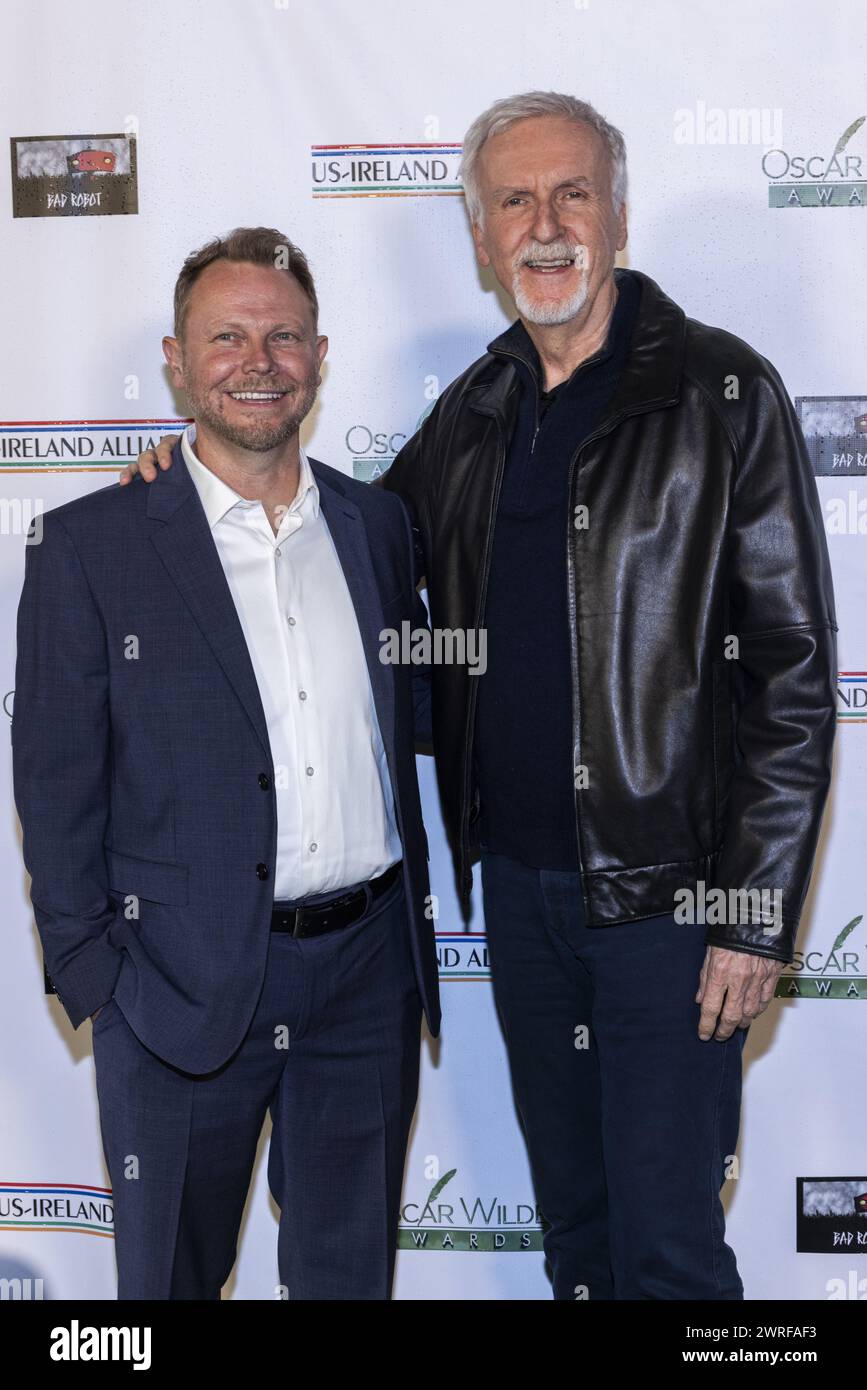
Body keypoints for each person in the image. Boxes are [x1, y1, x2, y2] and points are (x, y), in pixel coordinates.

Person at [122, 93, 837, 1301]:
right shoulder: (483, 404)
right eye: (515, 200)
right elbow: (346, 531)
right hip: (521, 896)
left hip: (672, 906)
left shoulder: (721, 391)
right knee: (578, 1240)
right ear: (480, 235)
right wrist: (194, 467)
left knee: (670, 1249)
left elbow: (793, 676)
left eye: (572, 194)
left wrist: (752, 911)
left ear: (616, 213)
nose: (545, 226)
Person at [13, 226, 440, 1301]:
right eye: (228, 337)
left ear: (322, 355)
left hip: (363, 977)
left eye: (284, 336)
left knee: (350, 1280)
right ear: (176, 358)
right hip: (174, 984)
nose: (259, 360)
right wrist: (94, 974)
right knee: (167, 1286)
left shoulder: (377, 525)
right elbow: (55, 780)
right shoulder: (91, 546)